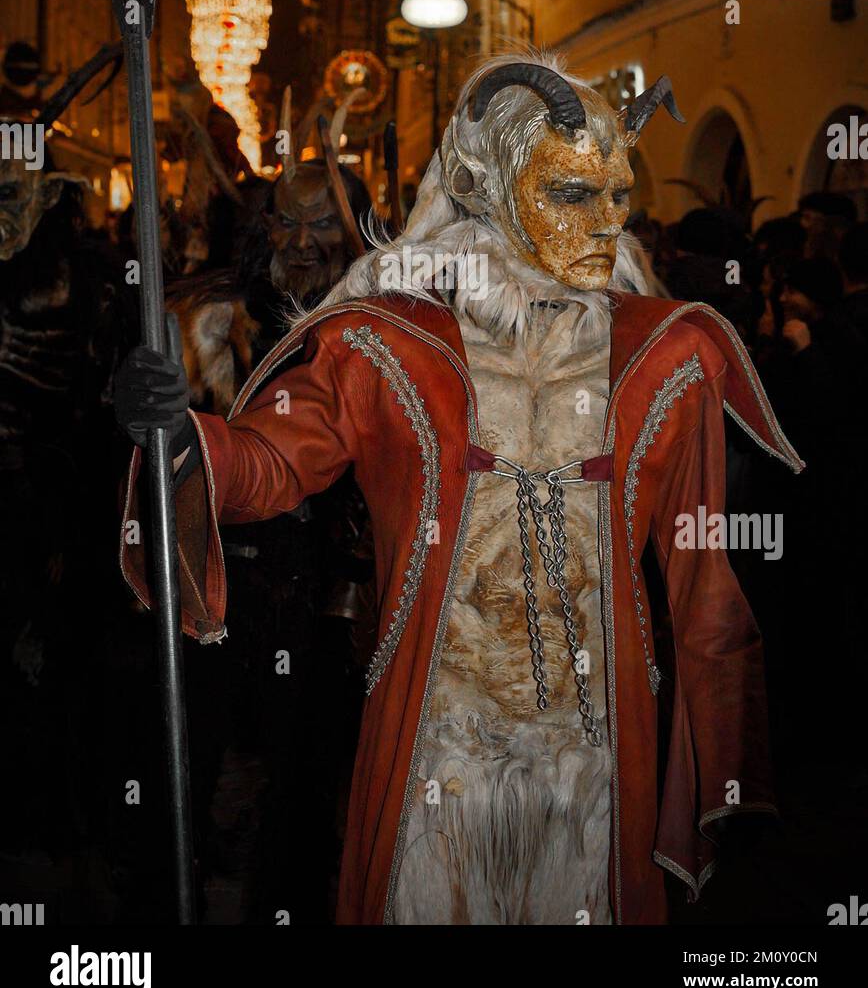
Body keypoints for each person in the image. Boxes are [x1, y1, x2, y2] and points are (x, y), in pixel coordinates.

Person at [114, 52, 801, 926]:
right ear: (487, 184)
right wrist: (180, 435)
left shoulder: (670, 357)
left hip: (597, 766)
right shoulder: (385, 343)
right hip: (432, 760)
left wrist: (730, 766)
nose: (606, 226)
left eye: (618, 196)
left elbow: (707, 584)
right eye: (571, 194)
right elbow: (271, 465)